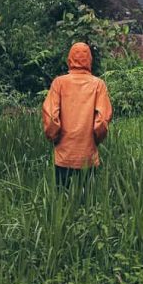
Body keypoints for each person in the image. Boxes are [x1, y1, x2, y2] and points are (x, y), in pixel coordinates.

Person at [42, 42, 112, 187]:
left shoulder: (59, 83)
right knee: (87, 203)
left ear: (69, 60)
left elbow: (51, 118)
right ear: (90, 60)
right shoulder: (98, 85)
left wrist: (54, 138)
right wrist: (95, 141)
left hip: (63, 154)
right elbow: (102, 121)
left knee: (62, 200)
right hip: (88, 155)